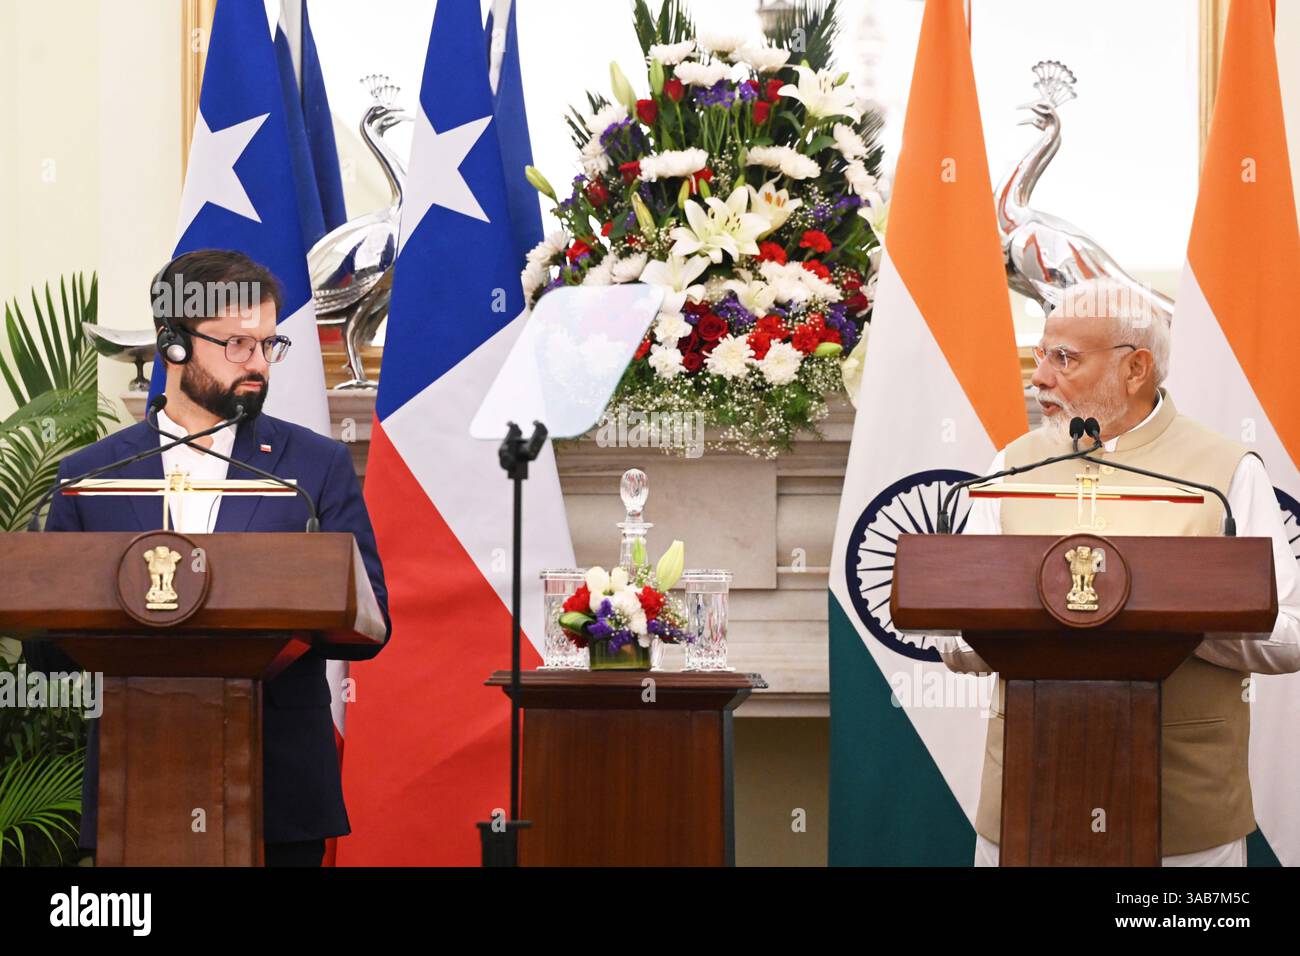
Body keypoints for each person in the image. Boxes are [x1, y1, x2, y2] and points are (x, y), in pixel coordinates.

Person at [25, 248, 390, 867]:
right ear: (173, 343)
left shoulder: (313, 466)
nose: (258, 365)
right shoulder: (91, 476)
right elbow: (47, 649)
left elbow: (372, 619)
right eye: (237, 345)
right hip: (135, 784)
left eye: (268, 346)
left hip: (280, 792)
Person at [939, 278, 1300, 867]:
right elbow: (949, 635)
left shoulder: (1226, 473)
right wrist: (1015, 626)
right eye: (1041, 356)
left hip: (1182, 809)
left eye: (1064, 360)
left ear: (1136, 369)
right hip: (1030, 795)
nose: (1039, 379)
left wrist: (1164, 622)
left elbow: (1290, 636)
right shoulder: (1011, 467)